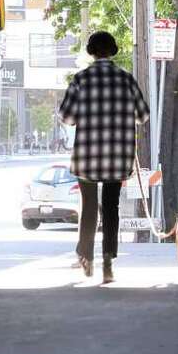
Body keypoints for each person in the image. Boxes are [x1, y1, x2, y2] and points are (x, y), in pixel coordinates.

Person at [57, 31, 151, 284]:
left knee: (89, 207)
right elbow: (143, 115)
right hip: (117, 157)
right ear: (113, 50)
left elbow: (66, 116)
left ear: (91, 51)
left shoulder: (81, 80)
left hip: (87, 157)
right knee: (111, 208)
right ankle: (108, 261)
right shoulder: (126, 80)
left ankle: (85, 256)